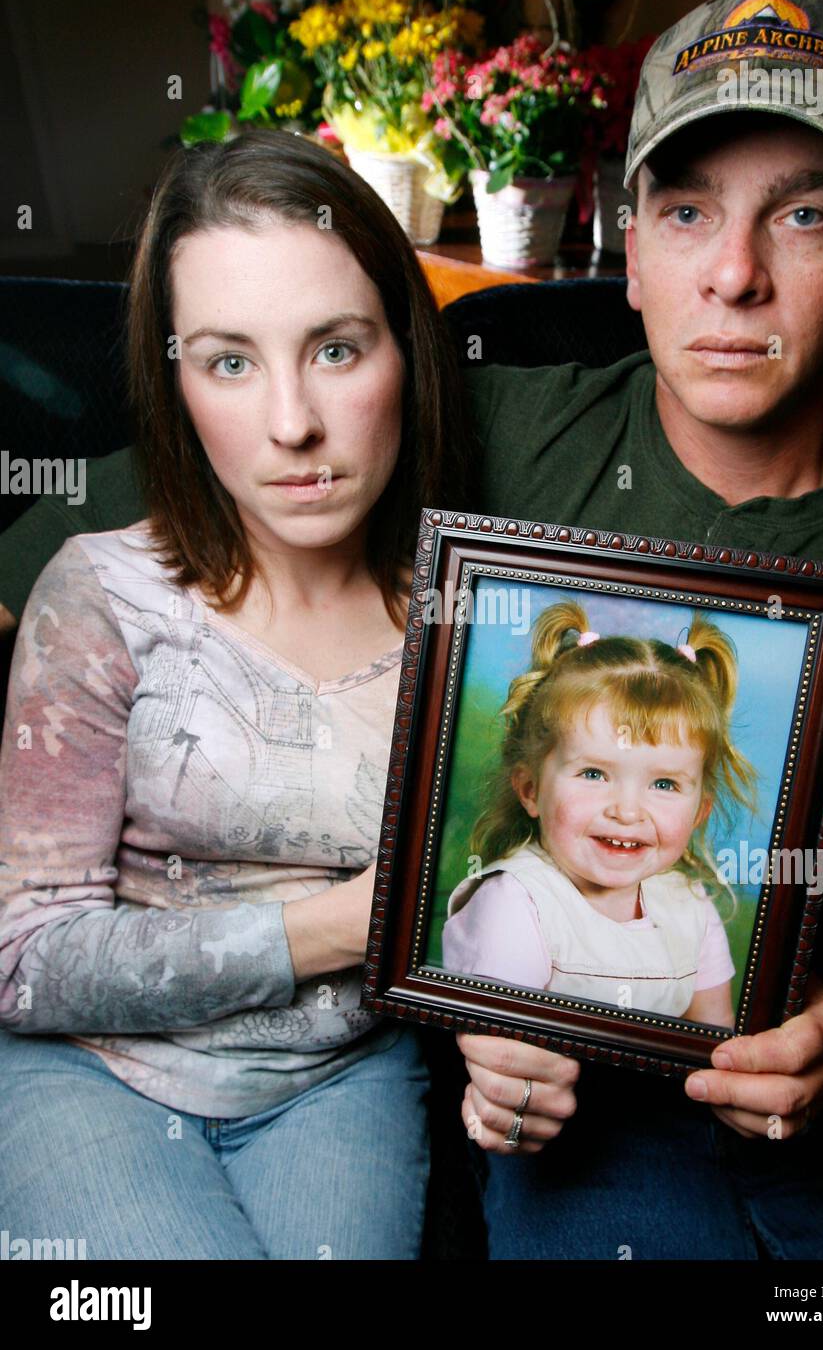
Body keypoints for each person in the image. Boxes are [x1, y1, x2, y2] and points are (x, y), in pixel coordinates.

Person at [1, 0, 823, 1258]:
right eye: (686, 211)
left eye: (806, 215)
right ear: (626, 243)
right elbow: (200, 488)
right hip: (567, 1117)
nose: (734, 274)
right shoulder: (486, 432)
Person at [0, 127, 480, 1259]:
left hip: (341, 1087)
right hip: (87, 1075)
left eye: (336, 349)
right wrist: (344, 923)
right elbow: (21, 959)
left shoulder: (473, 627)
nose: (291, 425)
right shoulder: (102, 594)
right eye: (229, 361)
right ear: (176, 379)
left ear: (405, 350)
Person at [442, 601, 756, 1026]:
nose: (627, 811)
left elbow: (714, 1042)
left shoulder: (689, 905)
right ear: (530, 790)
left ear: (700, 811)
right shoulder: (516, 904)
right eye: (594, 774)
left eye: (664, 784)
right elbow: (504, 1059)